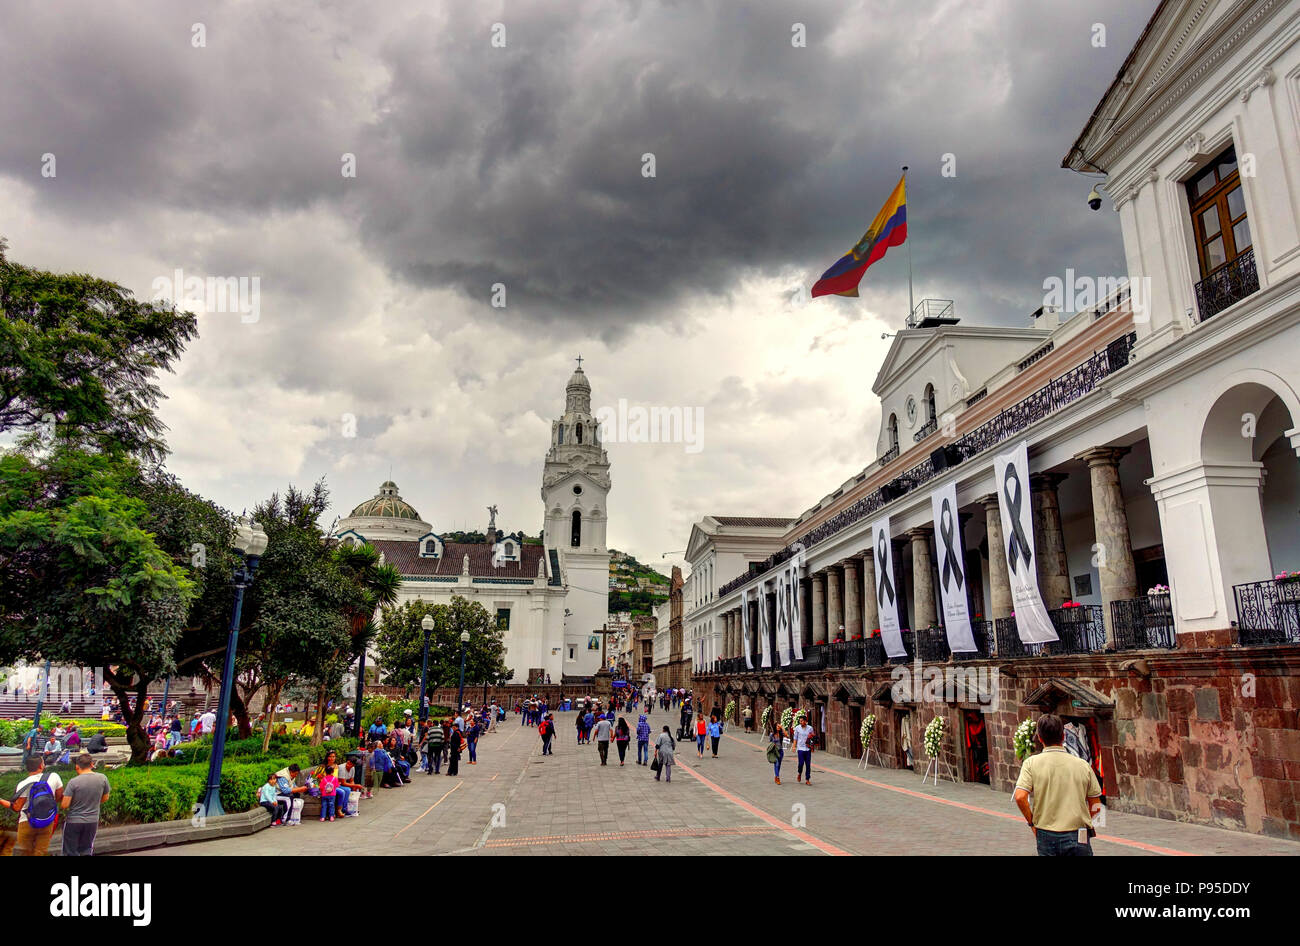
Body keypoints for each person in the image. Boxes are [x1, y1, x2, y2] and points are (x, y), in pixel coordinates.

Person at [1014, 714, 1103, 856]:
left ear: (1040, 738)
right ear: (1063, 736)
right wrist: (1084, 819)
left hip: (1046, 833)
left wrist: (1032, 823)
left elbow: (1020, 797)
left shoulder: (1031, 764)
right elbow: (1096, 805)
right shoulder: (1082, 765)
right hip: (1077, 833)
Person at [9, 755, 64, 855]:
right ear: (40, 766)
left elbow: (17, 808)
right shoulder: (54, 776)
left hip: (26, 821)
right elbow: (59, 797)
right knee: (41, 851)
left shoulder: (22, 784)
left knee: (25, 852)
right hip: (46, 820)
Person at [793, 713, 815, 784]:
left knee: (808, 765)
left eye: (802, 721)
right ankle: (799, 773)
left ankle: (807, 779)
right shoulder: (797, 728)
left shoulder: (810, 728)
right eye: (800, 721)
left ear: (805, 721)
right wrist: (794, 746)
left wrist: (812, 747)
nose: (801, 722)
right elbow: (795, 738)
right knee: (801, 763)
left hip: (807, 749)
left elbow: (812, 738)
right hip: (800, 749)